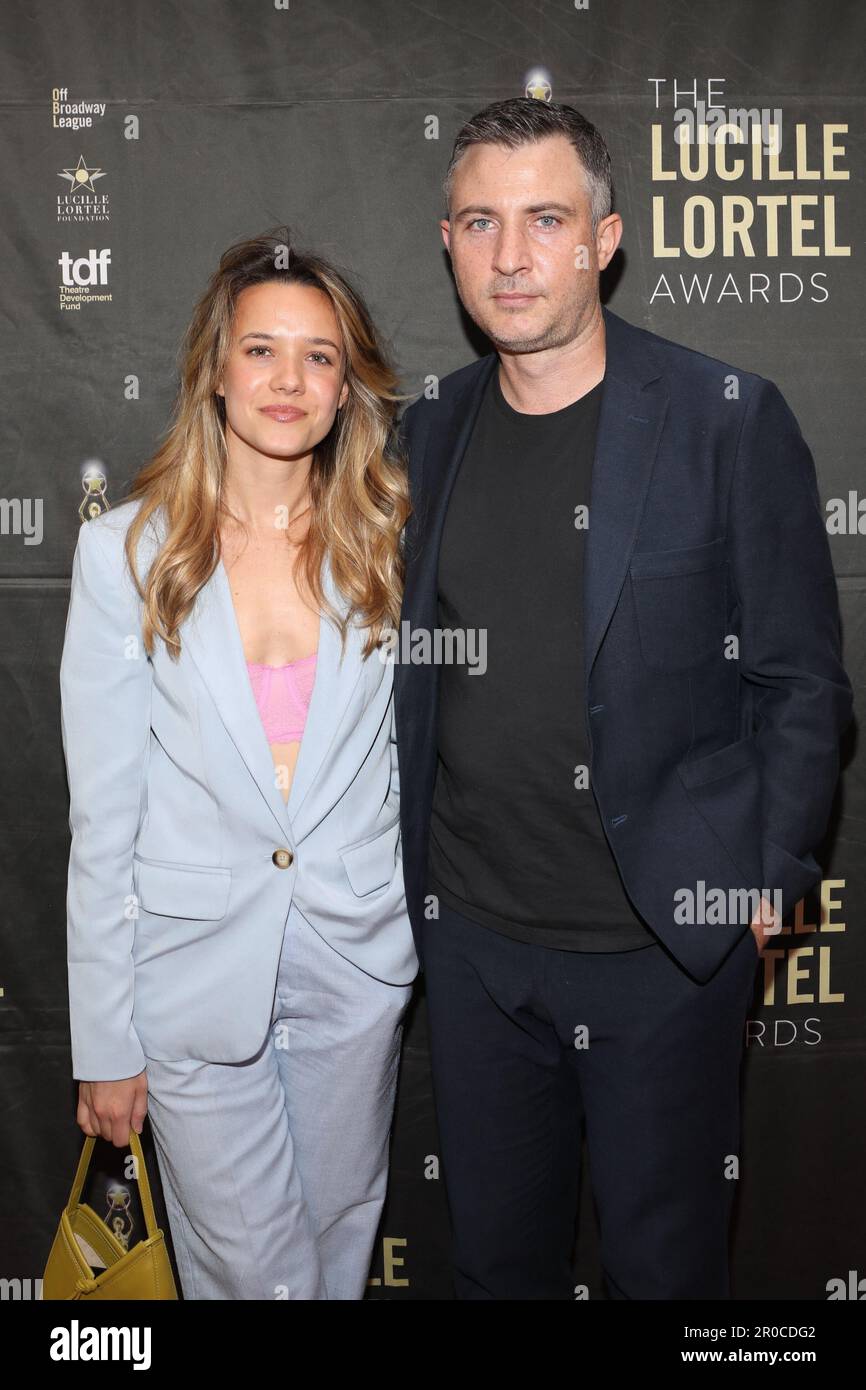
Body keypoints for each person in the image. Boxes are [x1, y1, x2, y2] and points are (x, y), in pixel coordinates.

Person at [393, 97, 853, 1299]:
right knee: (499, 1267)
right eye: (479, 221)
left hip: (660, 952)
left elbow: (800, 681)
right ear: (445, 241)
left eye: (544, 218)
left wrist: (765, 876)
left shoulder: (722, 421)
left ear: (603, 237)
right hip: (476, 947)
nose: (510, 254)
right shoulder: (422, 433)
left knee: (665, 1272)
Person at [59, 228, 418, 1300]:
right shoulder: (128, 551)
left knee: (338, 1234)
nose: (287, 379)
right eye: (261, 350)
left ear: (347, 386)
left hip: (353, 961)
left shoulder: (394, 541)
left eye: (318, 355)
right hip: (187, 970)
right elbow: (103, 813)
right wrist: (103, 1036)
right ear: (216, 370)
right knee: (250, 1270)